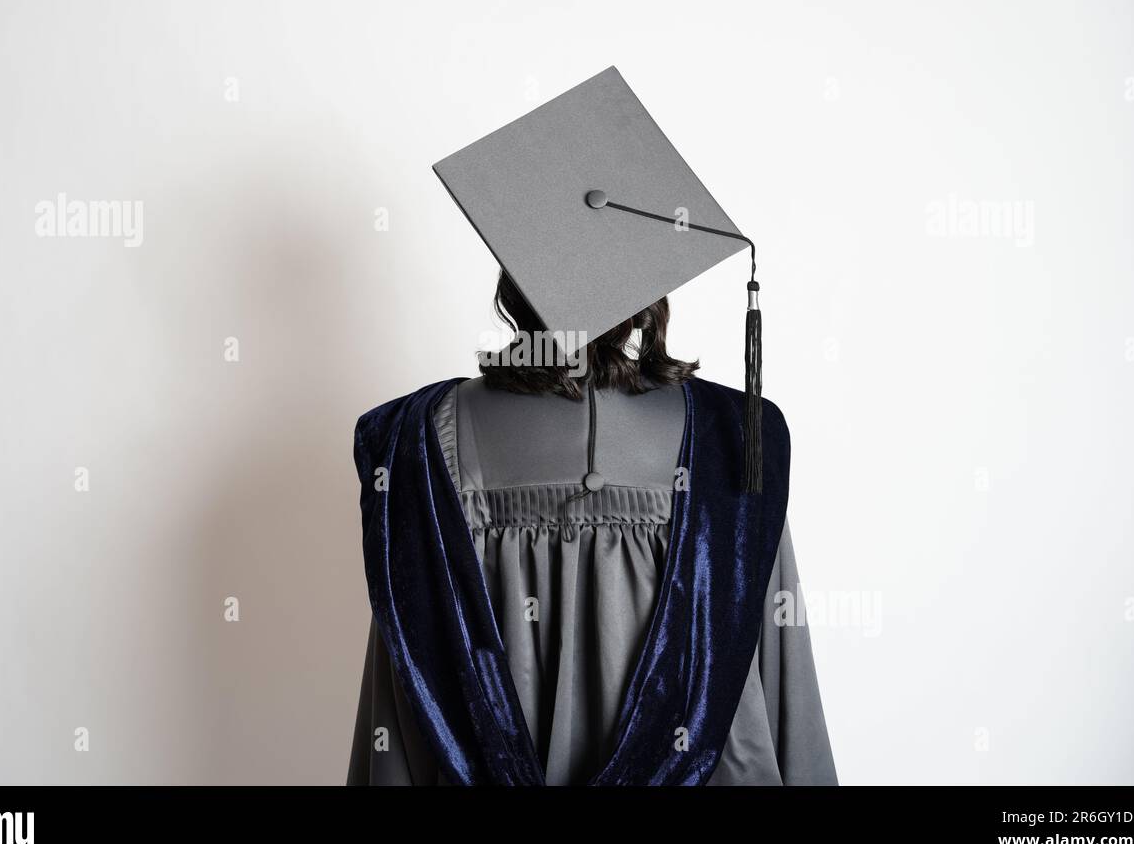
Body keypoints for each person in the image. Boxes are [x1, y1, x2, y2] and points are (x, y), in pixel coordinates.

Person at [346, 66, 836, 785]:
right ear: (648, 286)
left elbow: (401, 697)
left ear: (515, 281)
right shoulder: (736, 439)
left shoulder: (423, 442)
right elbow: (781, 681)